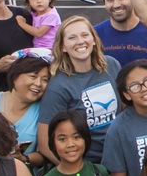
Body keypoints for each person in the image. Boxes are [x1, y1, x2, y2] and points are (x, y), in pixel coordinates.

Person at [37, 17, 120, 165]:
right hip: (90, 164)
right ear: (63, 47)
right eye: (72, 38)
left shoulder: (112, 65)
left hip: (121, 154)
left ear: (94, 40)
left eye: (85, 35)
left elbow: (126, 109)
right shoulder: (58, 86)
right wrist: (76, 170)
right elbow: (44, 144)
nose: (80, 41)